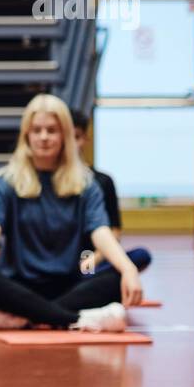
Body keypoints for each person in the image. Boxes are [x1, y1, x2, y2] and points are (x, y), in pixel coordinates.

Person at [0, 94, 143, 332]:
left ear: (65, 136)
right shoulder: (5, 182)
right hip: (20, 285)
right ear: (26, 134)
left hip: (70, 284)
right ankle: (79, 319)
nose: (44, 137)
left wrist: (128, 269)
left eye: (52, 130)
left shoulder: (86, 184)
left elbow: (101, 232)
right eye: (36, 130)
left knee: (119, 276)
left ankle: (26, 317)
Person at [69, 109, 152, 275]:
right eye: (66, 138)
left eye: (76, 137)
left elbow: (114, 231)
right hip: (57, 265)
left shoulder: (102, 181)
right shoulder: (47, 181)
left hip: (92, 261)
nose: (71, 144)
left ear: (86, 139)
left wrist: (92, 260)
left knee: (140, 256)